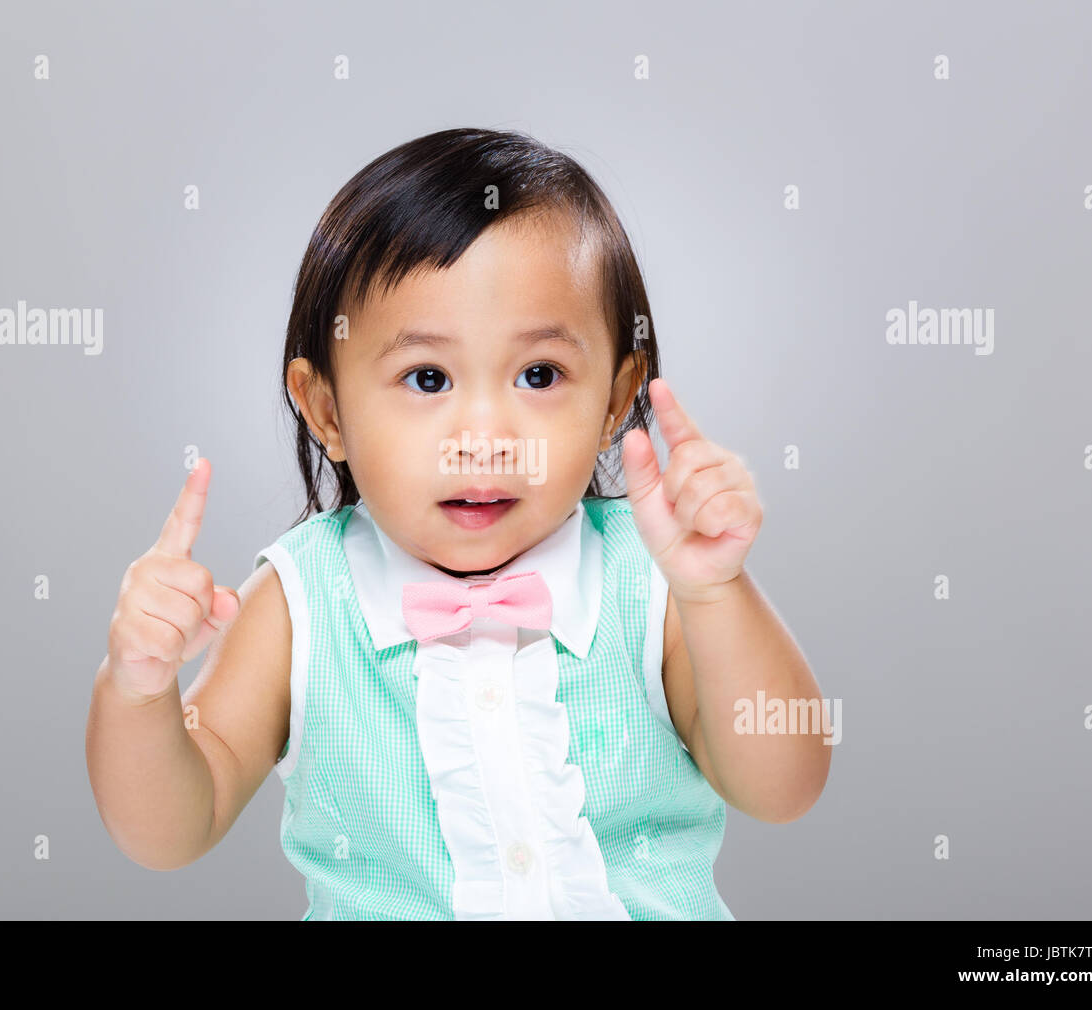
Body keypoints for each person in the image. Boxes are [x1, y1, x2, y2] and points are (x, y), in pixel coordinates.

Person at [85, 127, 830, 919]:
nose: (483, 436)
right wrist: (136, 690)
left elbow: (784, 789)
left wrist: (719, 594)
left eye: (538, 375)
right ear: (328, 410)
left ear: (615, 400)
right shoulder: (300, 604)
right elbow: (170, 830)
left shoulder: (654, 581)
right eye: (427, 377)